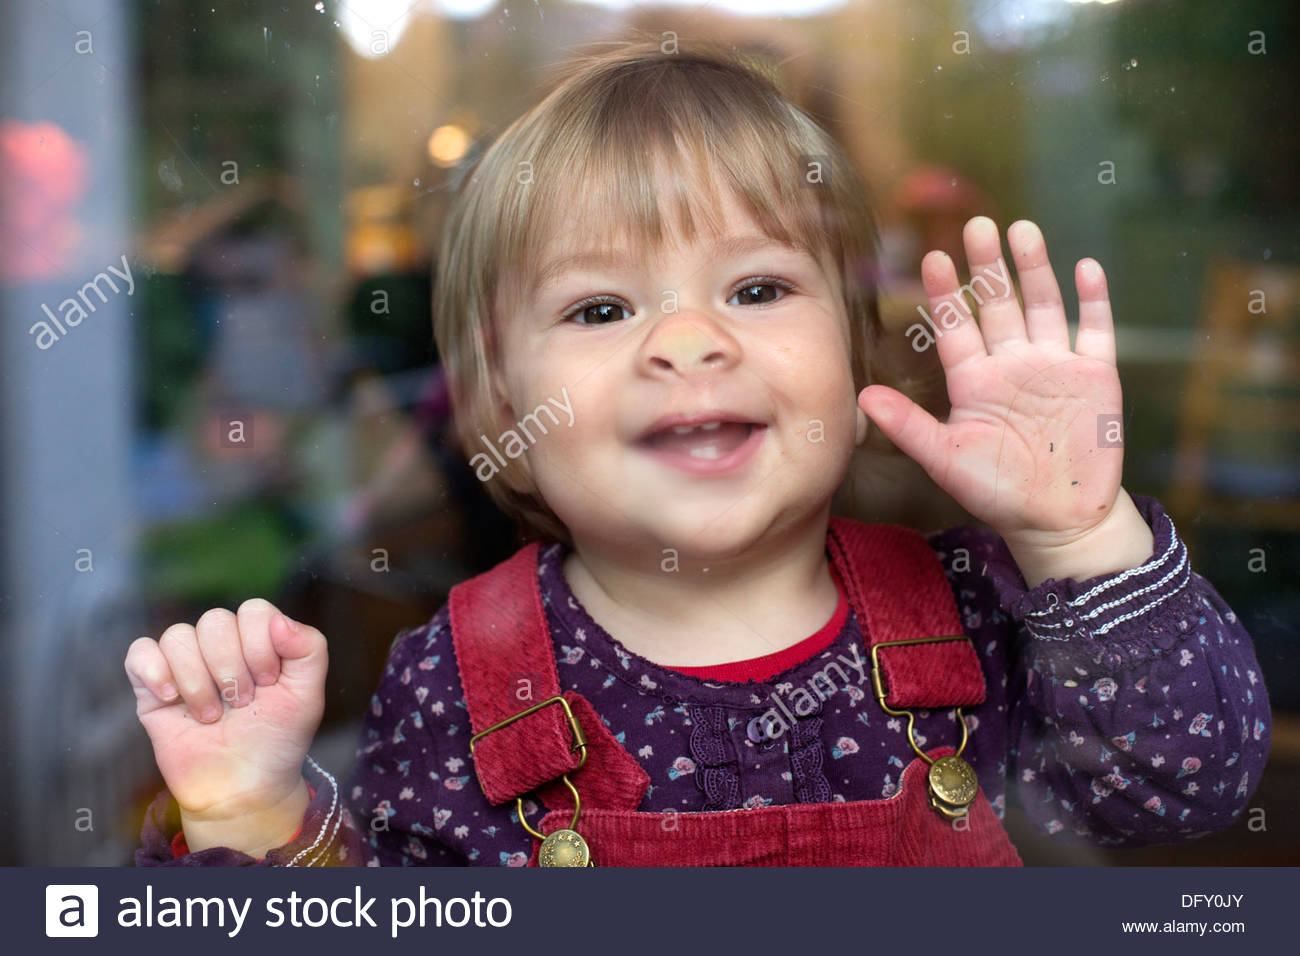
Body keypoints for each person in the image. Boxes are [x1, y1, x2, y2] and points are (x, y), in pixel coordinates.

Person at [126, 41, 1270, 867]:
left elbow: (1185, 785)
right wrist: (249, 811)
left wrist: (1077, 536)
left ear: (858, 356)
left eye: (758, 288)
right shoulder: (456, 678)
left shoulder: (974, 610)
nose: (686, 341)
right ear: (493, 404)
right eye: (598, 310)